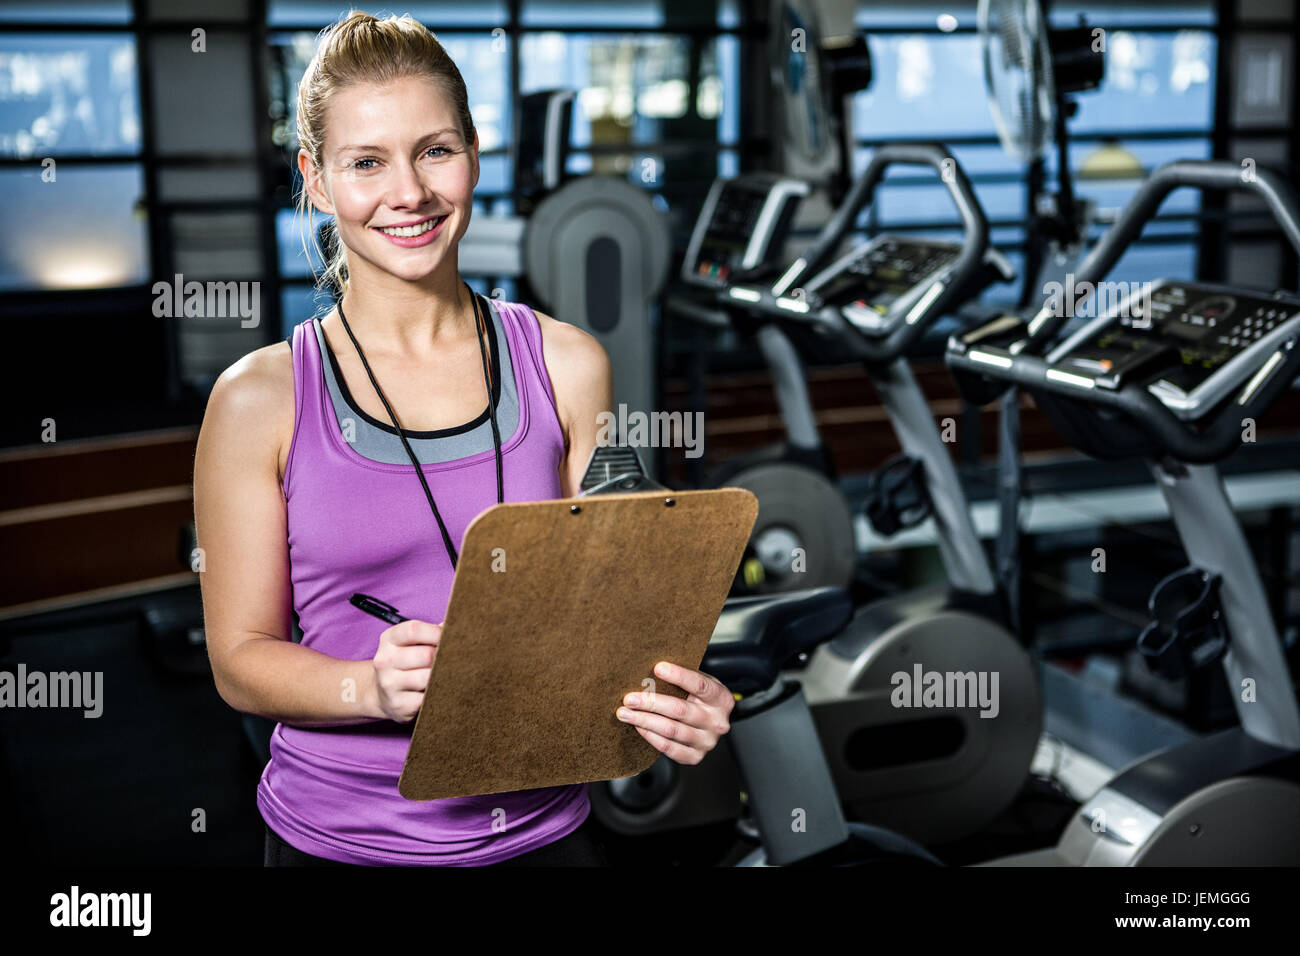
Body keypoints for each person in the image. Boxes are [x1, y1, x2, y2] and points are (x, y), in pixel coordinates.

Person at [192, 10, 736, 867]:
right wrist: (369, 685)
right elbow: (238, 661)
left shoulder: (568, 363)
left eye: (435, 150)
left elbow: (621, 604)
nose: (408, 192)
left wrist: (680, 689)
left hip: (542, 831)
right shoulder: (258, 400)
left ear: (474, 157)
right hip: (339, 842)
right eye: (366, 162)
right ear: (318, 179)